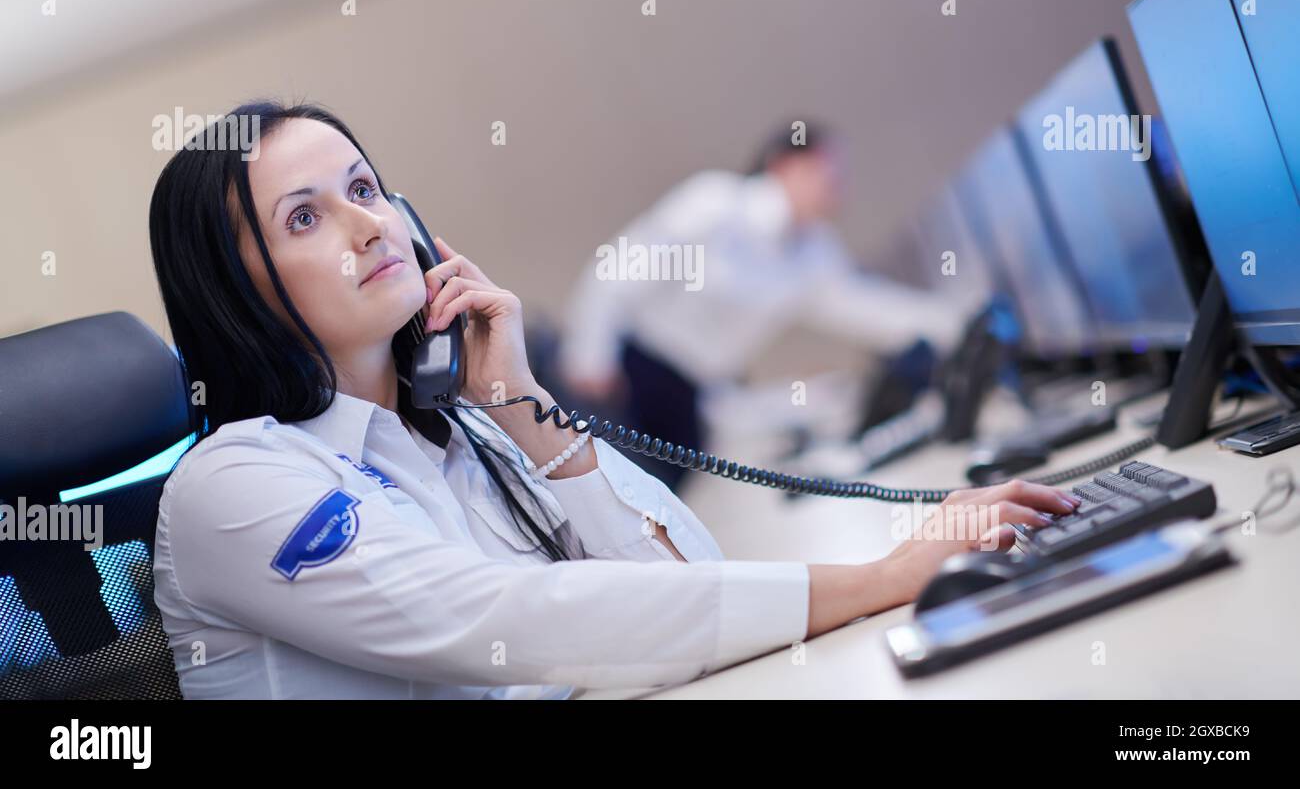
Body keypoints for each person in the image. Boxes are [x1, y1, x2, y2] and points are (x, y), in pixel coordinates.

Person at [147, 101, 1080, 699]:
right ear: (234, 293)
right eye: (304, 216)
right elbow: (513, 619)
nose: (366, 225)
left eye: (365, 188)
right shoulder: (235, 485)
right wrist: (883, 577)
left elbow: (688, 577)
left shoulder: (466, 432)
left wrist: (521, 403)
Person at [558, 121, 978, 491]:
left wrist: (958, 325)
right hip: (631, 376)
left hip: (689, 398)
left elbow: (867, 307)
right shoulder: (715, 203)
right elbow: (617, 271)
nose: (837, 188)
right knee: (610, 496)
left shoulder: (811, 251)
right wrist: (590, 355)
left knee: (659, 507)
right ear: (785, 164)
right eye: (828, 171)